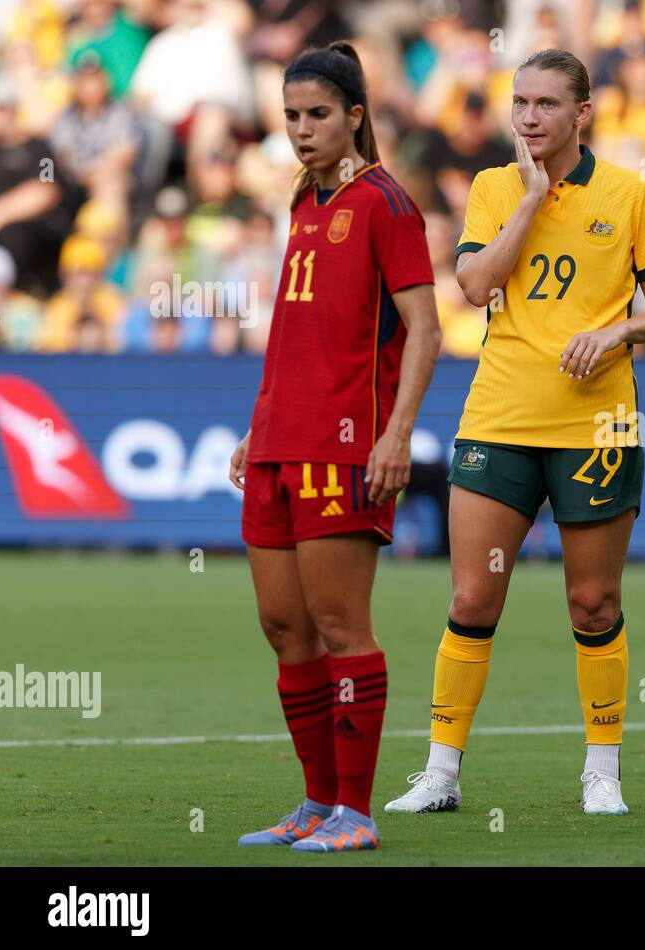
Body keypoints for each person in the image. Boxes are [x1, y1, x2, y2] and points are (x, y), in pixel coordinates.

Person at [384, 49, 645, 817]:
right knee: (473, 594)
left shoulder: (629, 192)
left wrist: (617, 332)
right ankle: (442, 773)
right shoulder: (491, 188)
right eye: (520, 102)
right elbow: (478, 284)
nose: (528, 116)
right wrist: (530, 200)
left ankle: (602, 771)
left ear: (582, 113)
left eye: (547, 104)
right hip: (500, 417)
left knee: (593, 601)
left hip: (596, 425)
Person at [227, 43, 440, 853]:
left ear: (355, 114)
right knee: (285, 628)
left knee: (340, 623)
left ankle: (357, 812)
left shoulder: (387, 202)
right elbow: (297, 329)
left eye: (318, 115)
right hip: (282, 440)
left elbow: (426, 329)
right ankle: (316, 804)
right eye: (291, 117)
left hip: (345, 446)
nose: (302, 131)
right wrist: (261, 422)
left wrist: (397, 433)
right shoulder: (304, 201)